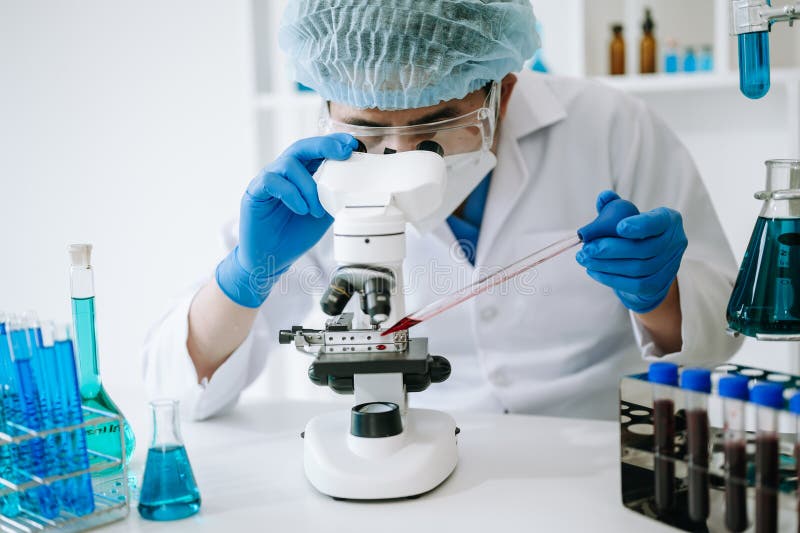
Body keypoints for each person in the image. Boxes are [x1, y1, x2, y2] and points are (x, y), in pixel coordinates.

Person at [143, 0, 742, 420]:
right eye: (369, 130)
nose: (400, 153)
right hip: (410, 457)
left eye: (434, 124)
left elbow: (720, 338)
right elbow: (179, 392)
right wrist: (247, 278)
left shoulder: (613, 128)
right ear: (327, 101)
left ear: (501, 90)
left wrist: (661, 295)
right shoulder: (310, 184)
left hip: (591, 450)